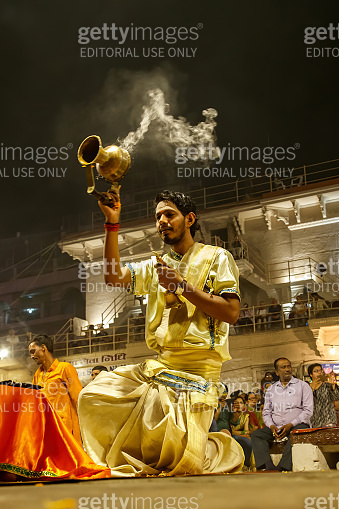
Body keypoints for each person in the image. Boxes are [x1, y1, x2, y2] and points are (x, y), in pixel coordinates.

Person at [78, 188, 244, 476]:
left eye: (169, 214)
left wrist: (181, 286)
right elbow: (113, 276)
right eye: (158, 217)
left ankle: (220, 447)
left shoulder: (218, 257)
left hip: (199, 370)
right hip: (160, 365)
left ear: (189, 219)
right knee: (92, 396)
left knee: (183, 462)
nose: (162, 222)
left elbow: (231, 312)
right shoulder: (156, 266)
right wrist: (112, 223)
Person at [251, 357, 313, 471]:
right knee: (257, 435)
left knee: (297, 433)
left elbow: (308, 411)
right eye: (283, 367)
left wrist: (290, 424)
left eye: (288, 366)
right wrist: (272, 426)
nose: (287, 369)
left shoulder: (303, 386)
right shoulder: (271, 389)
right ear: (277, 372)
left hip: (297, 425)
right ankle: (268, 466)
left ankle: (283, 466)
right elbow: (266, 413)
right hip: (276, 427)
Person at [29, 334, 83, 444]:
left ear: (43, 348)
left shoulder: (65, 368)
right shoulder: (37, 374)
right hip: (46, 429)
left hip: (65, 428)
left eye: (33, 351)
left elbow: (78, 399)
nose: (31, 356)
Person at [308, 363, 339, 428]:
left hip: (329, 419)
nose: (319, 373)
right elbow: (306, 401)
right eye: (316, 371)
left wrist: (333, 385)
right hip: (315, 421)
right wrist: (312, 388)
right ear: (311, 374)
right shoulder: (307, 387)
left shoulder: (327, 385)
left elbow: (336, 398)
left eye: (320, 371)